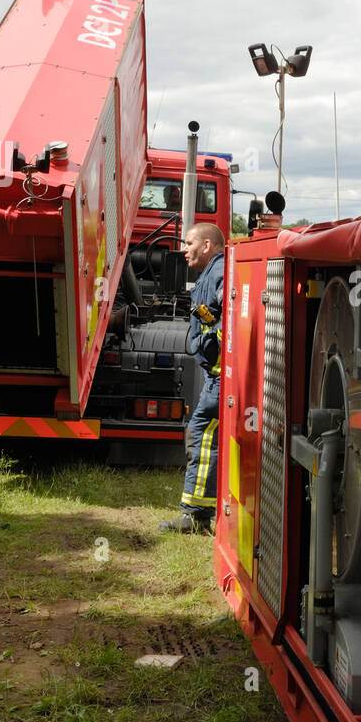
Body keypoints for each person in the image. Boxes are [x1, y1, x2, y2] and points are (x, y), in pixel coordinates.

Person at [161, 222, 226, 534]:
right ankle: (203, 512)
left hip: (220, 381)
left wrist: (218, 348)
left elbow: (231, 315)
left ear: (207, 246)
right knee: (205, 437)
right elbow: (212, 317)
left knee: (201, 436)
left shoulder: (218, 271)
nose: (183, 249)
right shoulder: (209, 274)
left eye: (189, 243)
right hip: (215, 378)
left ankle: (196, 516)